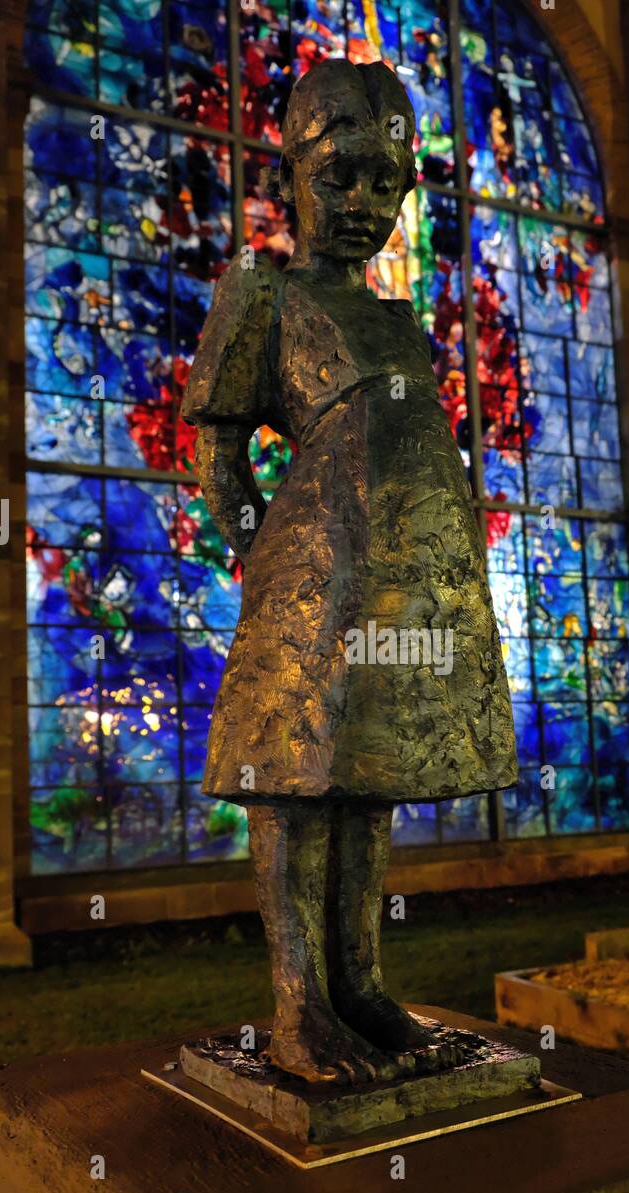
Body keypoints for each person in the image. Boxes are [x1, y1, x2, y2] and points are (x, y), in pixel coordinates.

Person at [182, 58, 517, 1086]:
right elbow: (218, 445)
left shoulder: (400, 320)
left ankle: (360, 986)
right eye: (341, 179)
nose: (363, 205)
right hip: (309, 584)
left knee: (363, 782)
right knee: (294, 778)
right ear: (295, 172)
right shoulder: (262, 290)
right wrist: (267, 562)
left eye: (386, 184)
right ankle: (298, 1008)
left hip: (398, 589)